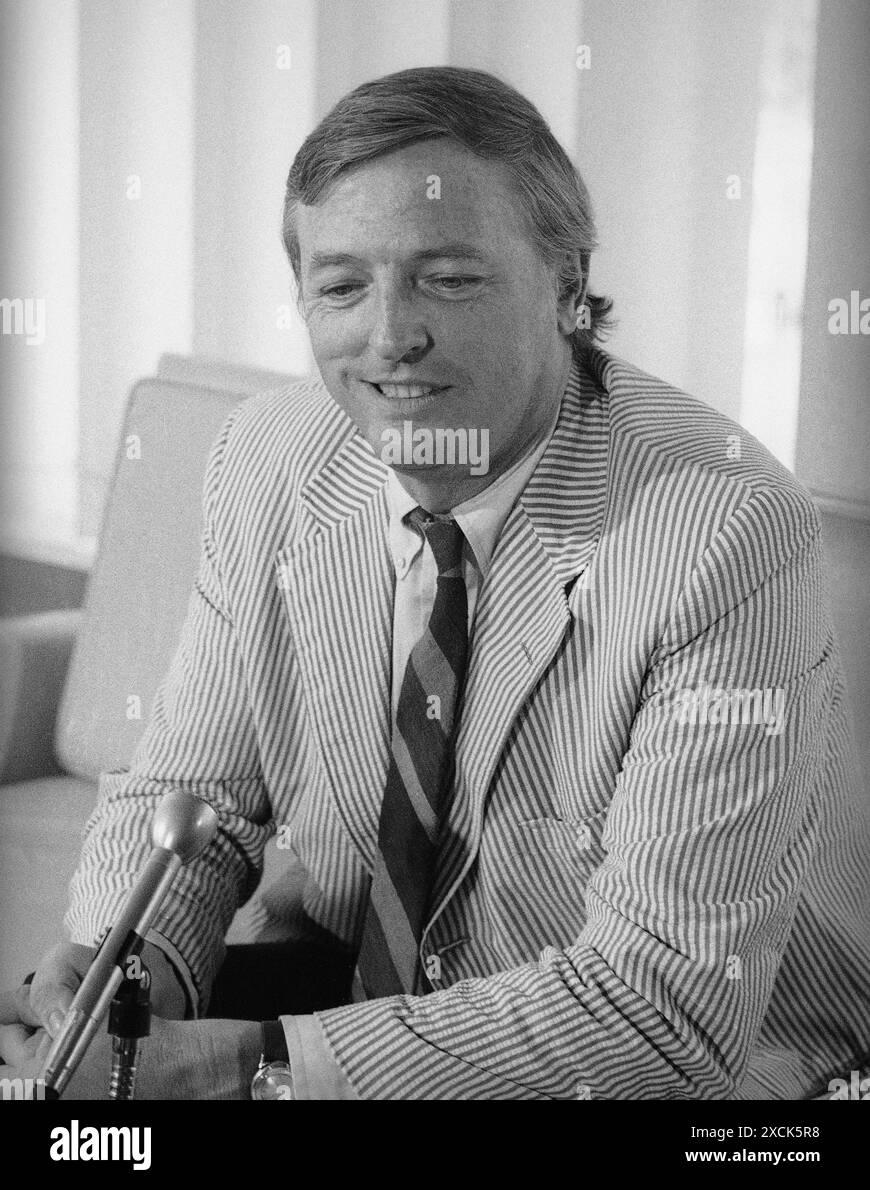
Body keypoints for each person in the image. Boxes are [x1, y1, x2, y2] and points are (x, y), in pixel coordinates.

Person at [1, 67, 868, 1100]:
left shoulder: (725, 532)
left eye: (449, 278)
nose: (389, 336)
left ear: (567, 287)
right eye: (341, 286)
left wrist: (236, 1072)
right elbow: (195, 800)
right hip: (353, 1005)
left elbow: (661, 1013)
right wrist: (126, 977)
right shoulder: (270, 456)